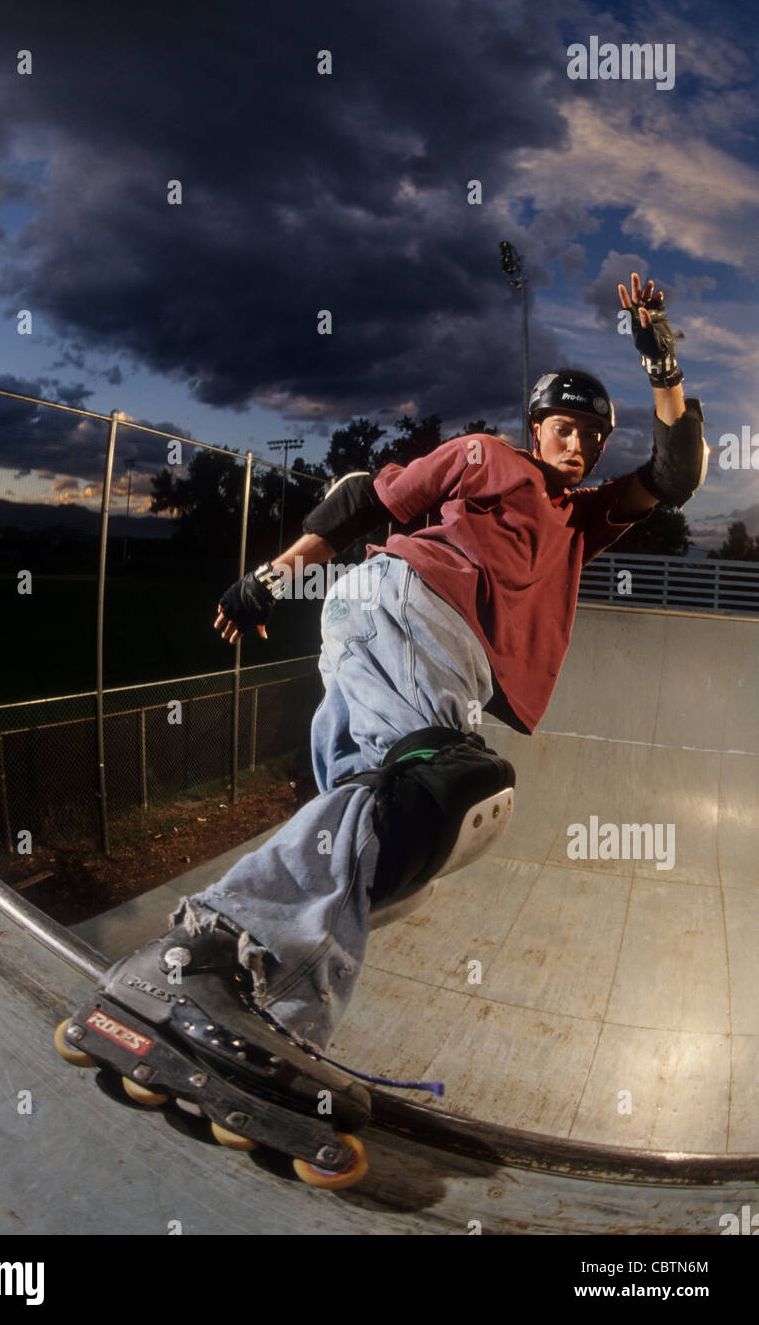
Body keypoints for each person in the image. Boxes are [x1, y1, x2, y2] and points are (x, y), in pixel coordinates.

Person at [59, 274, 706, 1177]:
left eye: (594, 437)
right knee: (446, 788)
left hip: (429, 664)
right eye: (564, 429)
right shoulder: (489, 459)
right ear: (535, 429)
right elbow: (369, 496)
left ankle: (260, 1023)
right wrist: (271, 577)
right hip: (403, 614)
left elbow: (674, 476)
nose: (580, 446)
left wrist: (660, 357)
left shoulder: (585, 519)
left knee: (392, 852)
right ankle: (198, 960)